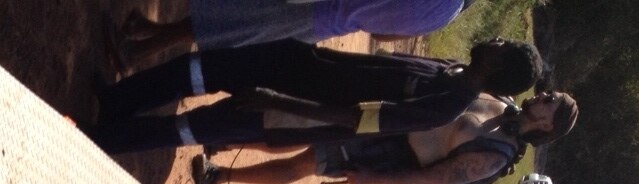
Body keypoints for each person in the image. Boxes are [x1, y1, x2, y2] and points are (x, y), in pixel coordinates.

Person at [88, 38, 545, 154]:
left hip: (288, 112)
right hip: (297, 68)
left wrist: (275, 101)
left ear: (498, 69)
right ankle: (115, 101)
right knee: (201, 69)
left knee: (191, 129)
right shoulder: (452, 68)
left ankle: (98, 139)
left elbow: (358, 120)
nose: (497, 39)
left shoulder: (444, 106)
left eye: (502, 47)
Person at [192, 90, 577, 184]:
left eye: (550, 101)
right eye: (549, 93)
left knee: (306, 161)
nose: (543, 95)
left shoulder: (497, 155)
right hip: (386, 117)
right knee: (304, 129)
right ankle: (224, 146)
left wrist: (373, 176)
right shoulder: (505, 100)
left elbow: (433, 179)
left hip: (386, 154)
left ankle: (220, 176)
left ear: (546, 124)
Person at [111, 0, 474, 73]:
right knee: (233, 18)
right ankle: (148, 32)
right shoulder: (443, 15)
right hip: (324, 24)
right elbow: (380, 34)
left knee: (231, 17)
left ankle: (139, 51)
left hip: (315, 5)